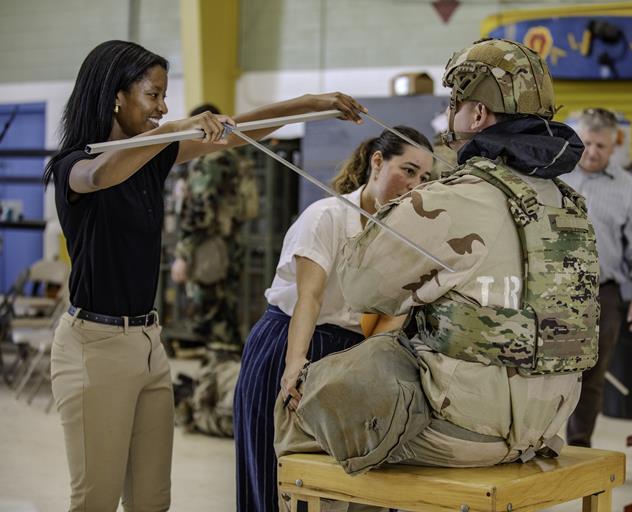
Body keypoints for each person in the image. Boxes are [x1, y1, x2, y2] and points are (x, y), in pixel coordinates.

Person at [273, 38, 599, 511]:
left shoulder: (454, 198)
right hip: (549, 424)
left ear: (479, 116)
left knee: (305, 410)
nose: (451, 114)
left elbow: (365, 289)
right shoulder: (568, 204)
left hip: (466, 431)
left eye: (456, 103)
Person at [43, 39, 364, 511]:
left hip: (149, 346)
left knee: (152, 499)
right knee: (95, 500)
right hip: (94, 347)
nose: (163, 106)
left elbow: (237, 133)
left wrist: (309, 105)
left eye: (164, 96)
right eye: (153, 95)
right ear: (117, 95)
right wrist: (172, 129)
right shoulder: (77, 164)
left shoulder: (152, 162)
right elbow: (101, 175)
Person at [233, 126, 434, 512]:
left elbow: (397, 311)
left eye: (423, 177)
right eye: (407, 171)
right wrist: (295, 367)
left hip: (348, 354)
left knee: (336, 486)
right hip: (290, 342)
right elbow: (309, 297)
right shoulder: (326, 216)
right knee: (273, 473)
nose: (414, 185)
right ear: (377, 162)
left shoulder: (401, 233)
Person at [560, 107, 632, 448]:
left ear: (614, 145)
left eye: (601, 145)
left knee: (592, 376)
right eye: (586, 143)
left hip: (604, 293)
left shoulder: (628, 188)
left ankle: (579, 447)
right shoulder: (556, 176)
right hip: (555, 291)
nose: (592, 152)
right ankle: (537, 442)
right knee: (547, 370)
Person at [171, 103, 259, 355]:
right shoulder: (233, 155)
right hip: (231, 245)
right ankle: (223, 384)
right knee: (225, 314)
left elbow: (201, 210)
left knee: (211, 321)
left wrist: (183, 254)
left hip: (209, 250)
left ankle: (221, 384)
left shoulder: (208, 160)